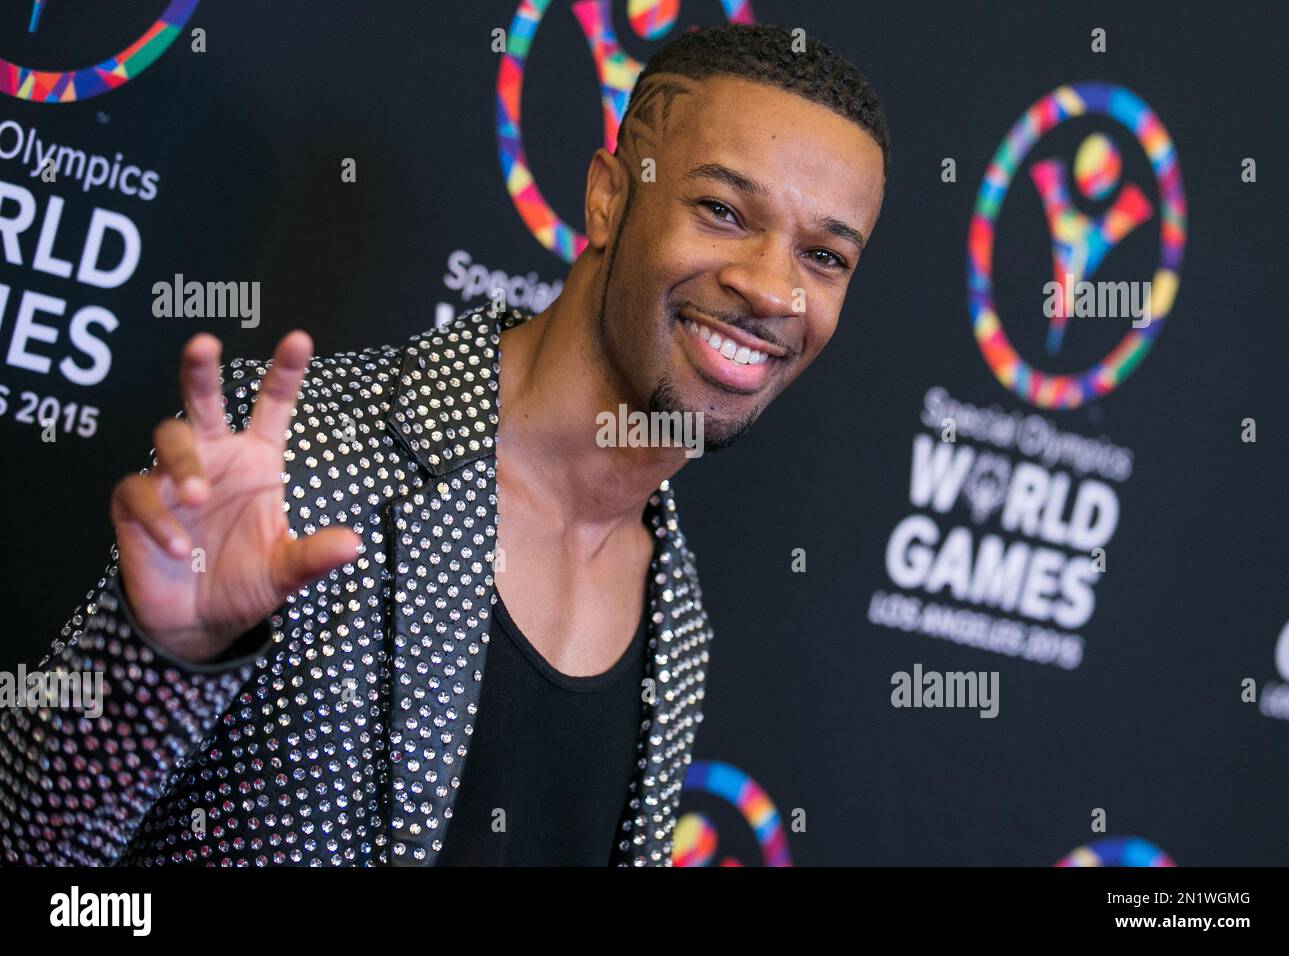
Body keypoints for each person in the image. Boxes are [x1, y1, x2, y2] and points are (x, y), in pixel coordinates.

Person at [0, 22, 889, 866]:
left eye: (825, 256)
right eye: (724, 211)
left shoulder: (676, 607)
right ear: (609, 199)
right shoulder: (311, 460)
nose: (774, 289)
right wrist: (156, 664)